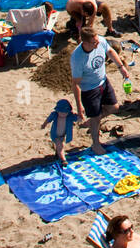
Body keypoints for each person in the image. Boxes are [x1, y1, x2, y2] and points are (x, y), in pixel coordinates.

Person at [68, 25, 131, 154]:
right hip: (89, 90)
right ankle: (96, 144)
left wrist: (121, 67)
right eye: (93, 42)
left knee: (114, 108)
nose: (97, 43)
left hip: (103, 81)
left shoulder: (100, 41)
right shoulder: (77, 58)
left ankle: (92, 122)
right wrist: (79, 106)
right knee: (95, 118)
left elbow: (111, 51)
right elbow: (75, 84)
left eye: (97, 40)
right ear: (84, 42)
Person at [42, 99, 75, 164]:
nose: (63, 114)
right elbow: (48, 120)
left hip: (63, 135)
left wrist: (80, 114)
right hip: (55, 135)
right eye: (61, 112)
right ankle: (63, 160)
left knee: (59, 146)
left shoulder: (69, 116)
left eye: (65, 112)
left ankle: (57, 155)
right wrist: (44, 125)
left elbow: (78, 118)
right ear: (57, 111)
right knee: (60, 146)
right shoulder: (54, 115)